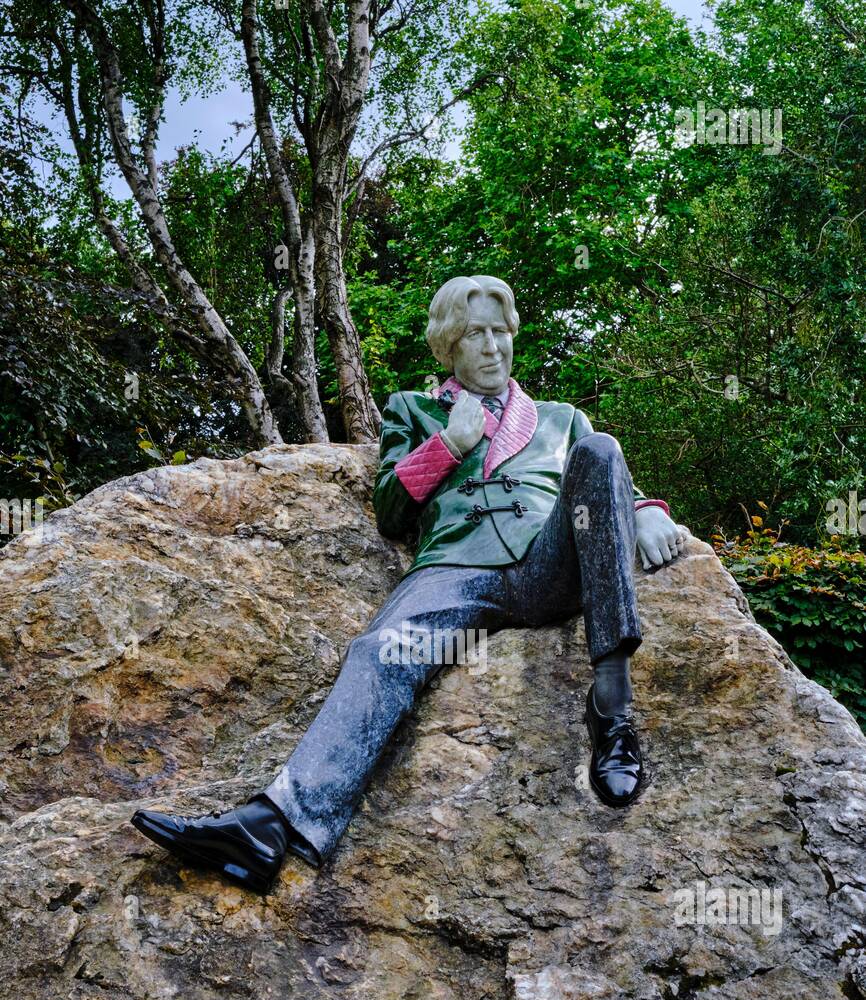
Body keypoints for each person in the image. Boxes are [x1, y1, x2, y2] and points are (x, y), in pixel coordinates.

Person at [132, 274, 685, 893]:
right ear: (449, 345)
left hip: (549, 562)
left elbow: (604, 481)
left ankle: (612, 716)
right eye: (476, 333)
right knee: (380, 648)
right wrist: (449, 443)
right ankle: (270, 825)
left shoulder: (562, 419)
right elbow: (392, 509)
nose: (492, 346)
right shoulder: (411, 409)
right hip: (455, 569)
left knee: (603, 447)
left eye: (500, 332)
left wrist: (645, 511)